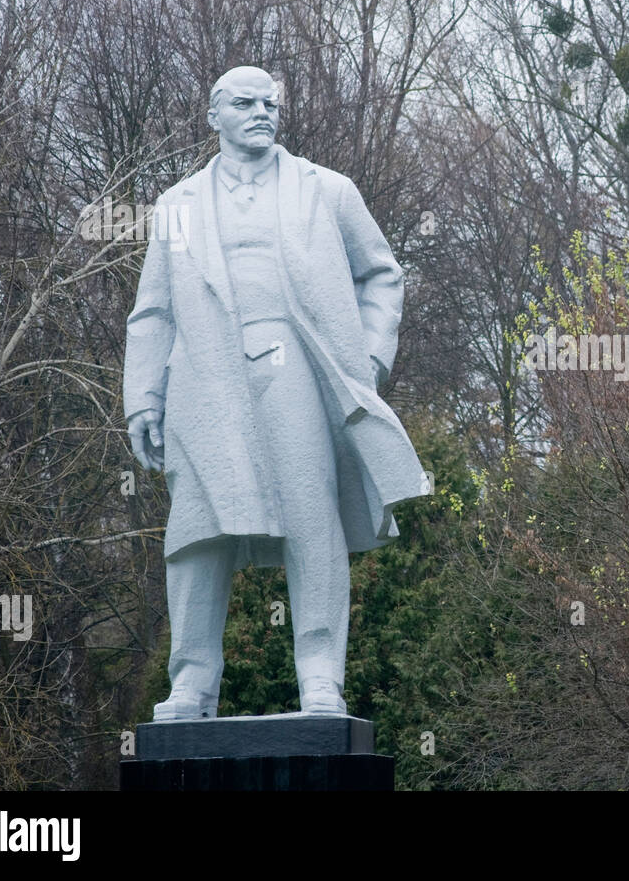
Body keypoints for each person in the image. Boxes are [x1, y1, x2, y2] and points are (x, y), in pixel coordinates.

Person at [124, 65, 428, 720]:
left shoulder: (329, 191)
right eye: (245, 102)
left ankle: (321, 678)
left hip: (294, 369)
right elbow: (153, 312)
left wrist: (369, 360)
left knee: (310, 516)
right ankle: (192, 684)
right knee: (197, 531)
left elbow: (382, 275)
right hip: (205, 376)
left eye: (271, 102)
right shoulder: (177, 206)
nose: (262, 112)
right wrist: (143, 398)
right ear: (214, 115)